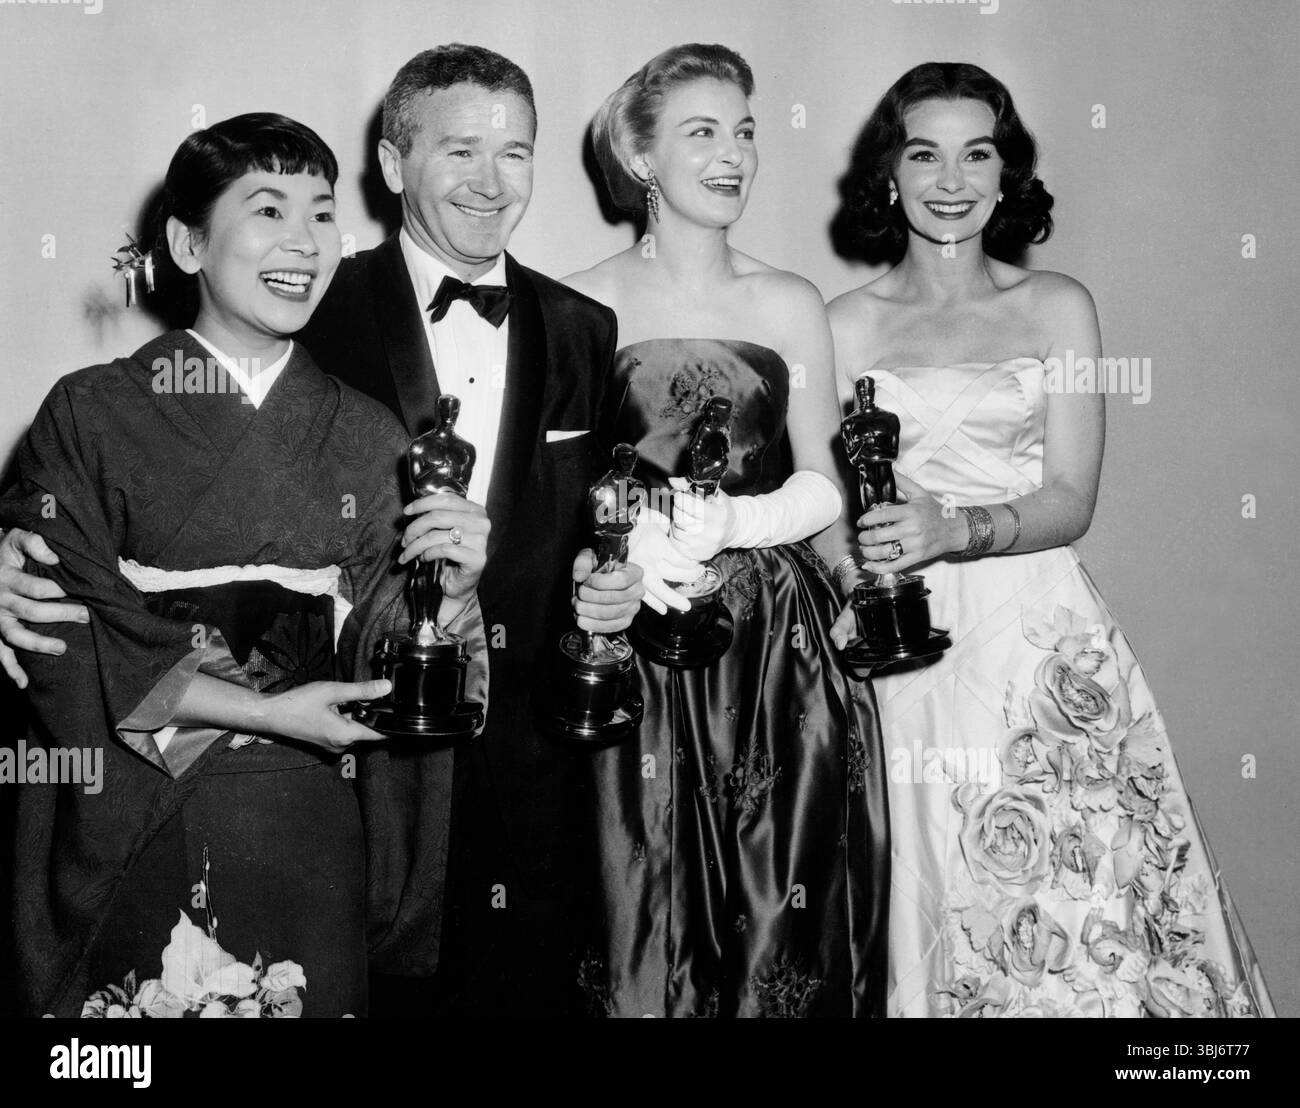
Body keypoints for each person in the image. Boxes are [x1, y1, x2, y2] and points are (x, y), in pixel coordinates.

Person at [0, 113, 488, 1017]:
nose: (303, 244)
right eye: (267, 211)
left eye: (320, 213)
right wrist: (265, 711)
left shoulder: (369, 432)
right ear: (187, 243)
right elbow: (62, 625)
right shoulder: (90, 412)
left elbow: (396, 641)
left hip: (311, 802)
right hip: (141, 793)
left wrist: (447, 591)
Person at [828, 62, 1274, 1018]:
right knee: (945, 892)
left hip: (1042, 646)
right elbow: (831, 517)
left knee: (1088, 905)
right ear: (890, 175)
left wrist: (957, 528)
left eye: (976, 153)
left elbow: (1074, 498)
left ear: (1005, 173)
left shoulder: (1057, 306)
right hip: (909, 651)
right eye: (924, 153)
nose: (952, 178)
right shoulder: (841, 326)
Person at [293, 45, 642, 1015]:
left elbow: (590, 520)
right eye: (460, 152)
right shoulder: (315, 312)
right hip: (370, 758)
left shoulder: (584, 326)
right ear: (394, 162)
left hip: (539, 767)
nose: (492, 185)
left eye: (515, 154)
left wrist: (606, 586)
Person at [565, 43, 889, 1018]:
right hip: (641, 636)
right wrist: (610, 566)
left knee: (781, 917)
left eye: (744, 131)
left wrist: (857, 609)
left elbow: (825, 488)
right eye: (701, 131)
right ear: (639, 152)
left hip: (780, 651)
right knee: (638, 896)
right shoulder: (577, 304)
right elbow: (564, 501)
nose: (734, 154)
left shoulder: (788, 301)